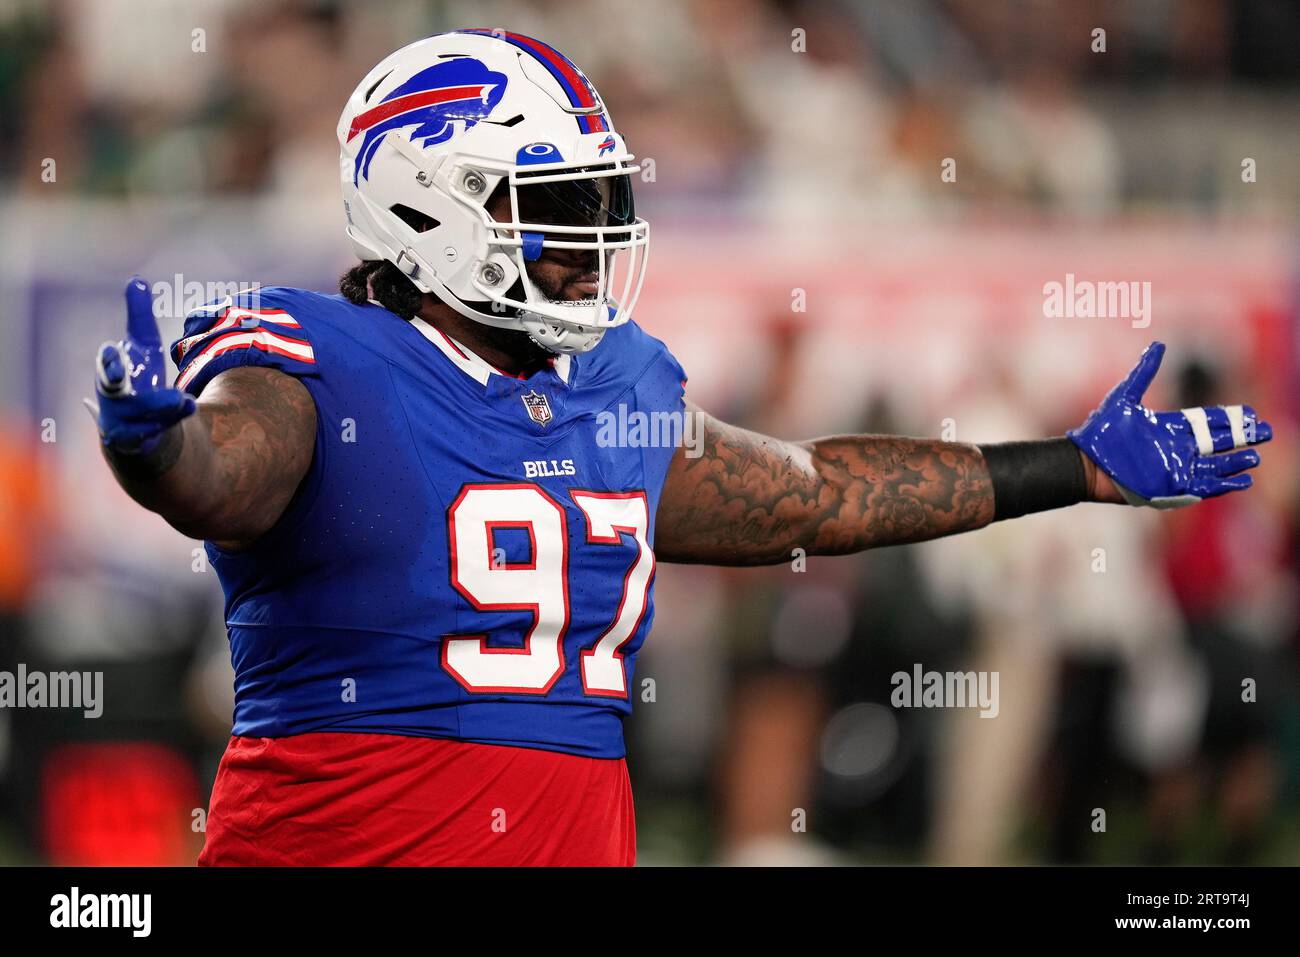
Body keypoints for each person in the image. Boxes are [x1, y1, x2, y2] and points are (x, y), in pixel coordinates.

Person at [87, 30, 1272, 866]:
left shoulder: (617, 386)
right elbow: (226, 474)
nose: (591, 242)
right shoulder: (320, 362)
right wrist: (160, 447)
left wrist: (1071, 468)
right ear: (428, 209)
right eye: (552, 210)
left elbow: (808, 498)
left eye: (601, 205)